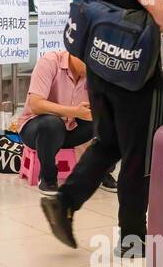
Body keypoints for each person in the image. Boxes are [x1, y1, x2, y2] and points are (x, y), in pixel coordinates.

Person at [41, 0, 163, 257]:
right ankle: (134, 239)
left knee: (107, 145)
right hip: (137, 79)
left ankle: (66, 200)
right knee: (141, 156)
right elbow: (155, 9)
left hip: (101, 72)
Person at [16, 50, 115, 196]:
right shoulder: (49, 62)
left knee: (109, 120)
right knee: (52, 123)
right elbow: (36, 105)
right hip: (36, 129)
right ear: (75, 51)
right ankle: (47, 177)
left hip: (69, 129)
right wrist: (74, 112)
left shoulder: (94, 75)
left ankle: (101, 172)